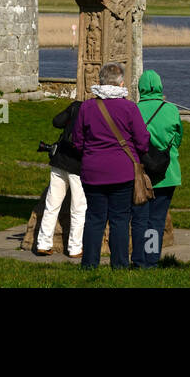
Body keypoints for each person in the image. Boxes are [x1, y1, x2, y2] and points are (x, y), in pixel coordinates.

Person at [73, 62, 149, 270]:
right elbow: (142, 141)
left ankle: (89, 264)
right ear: (121, 83)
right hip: (122, 172)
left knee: (95, 218)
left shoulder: (87, 107)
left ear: (100, 82)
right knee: (120, 219)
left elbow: (78, 141)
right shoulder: (129, 108)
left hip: (93, 171)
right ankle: (120, 265)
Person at [133, 69, 182, 269]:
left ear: (141, 87)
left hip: (140, 174)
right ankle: (151, 259)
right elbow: (177, 139)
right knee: (156, 220)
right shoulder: (171, 109)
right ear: (160, 86)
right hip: (167, 172)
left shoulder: (133, 109)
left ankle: (138, 260)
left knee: (139, 219)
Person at [34, 98, 85, 257]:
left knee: (52, 204)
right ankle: (75, 248)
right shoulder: (96, 111)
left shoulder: (76, 106)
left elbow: (57, 121)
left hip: (60, 160)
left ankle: (43, 243)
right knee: (78, 208)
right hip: (78, 164)